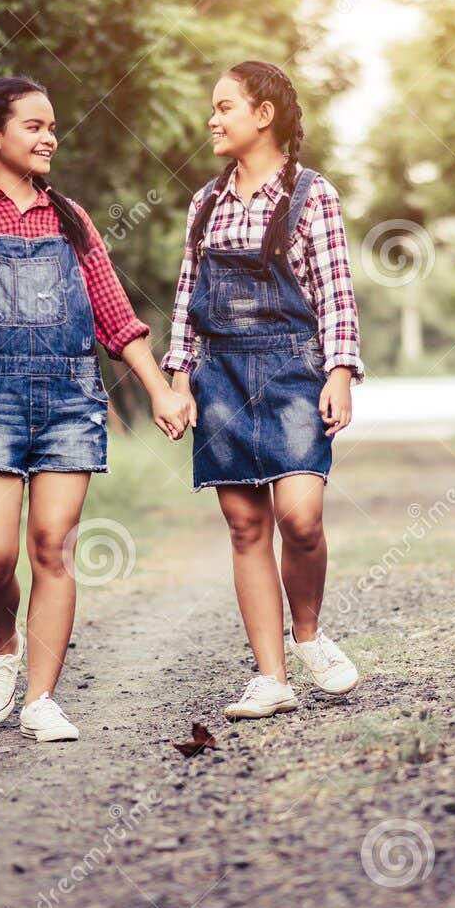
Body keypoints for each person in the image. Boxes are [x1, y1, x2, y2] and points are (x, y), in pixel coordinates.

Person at [0, 75, 190, 742]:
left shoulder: (71, 218)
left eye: (53, 125)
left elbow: (116, 319)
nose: (50, 136)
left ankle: (41, 698)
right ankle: (4, 646)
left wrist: (160, 390)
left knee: (52, 548)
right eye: (34, 125)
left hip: (67, 397)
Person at [164, 60, 363, 720]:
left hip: (292, 372)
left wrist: (339, 371)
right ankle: (271, 676)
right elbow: (186, 299)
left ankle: (307, 636)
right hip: (219, 375)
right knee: (245, 526)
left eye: (225, 107)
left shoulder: (312, 196)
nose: (212, 119)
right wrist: (178, 377)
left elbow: (336, 293)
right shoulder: (204, 204)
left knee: (300, 518)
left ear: (264, 114)